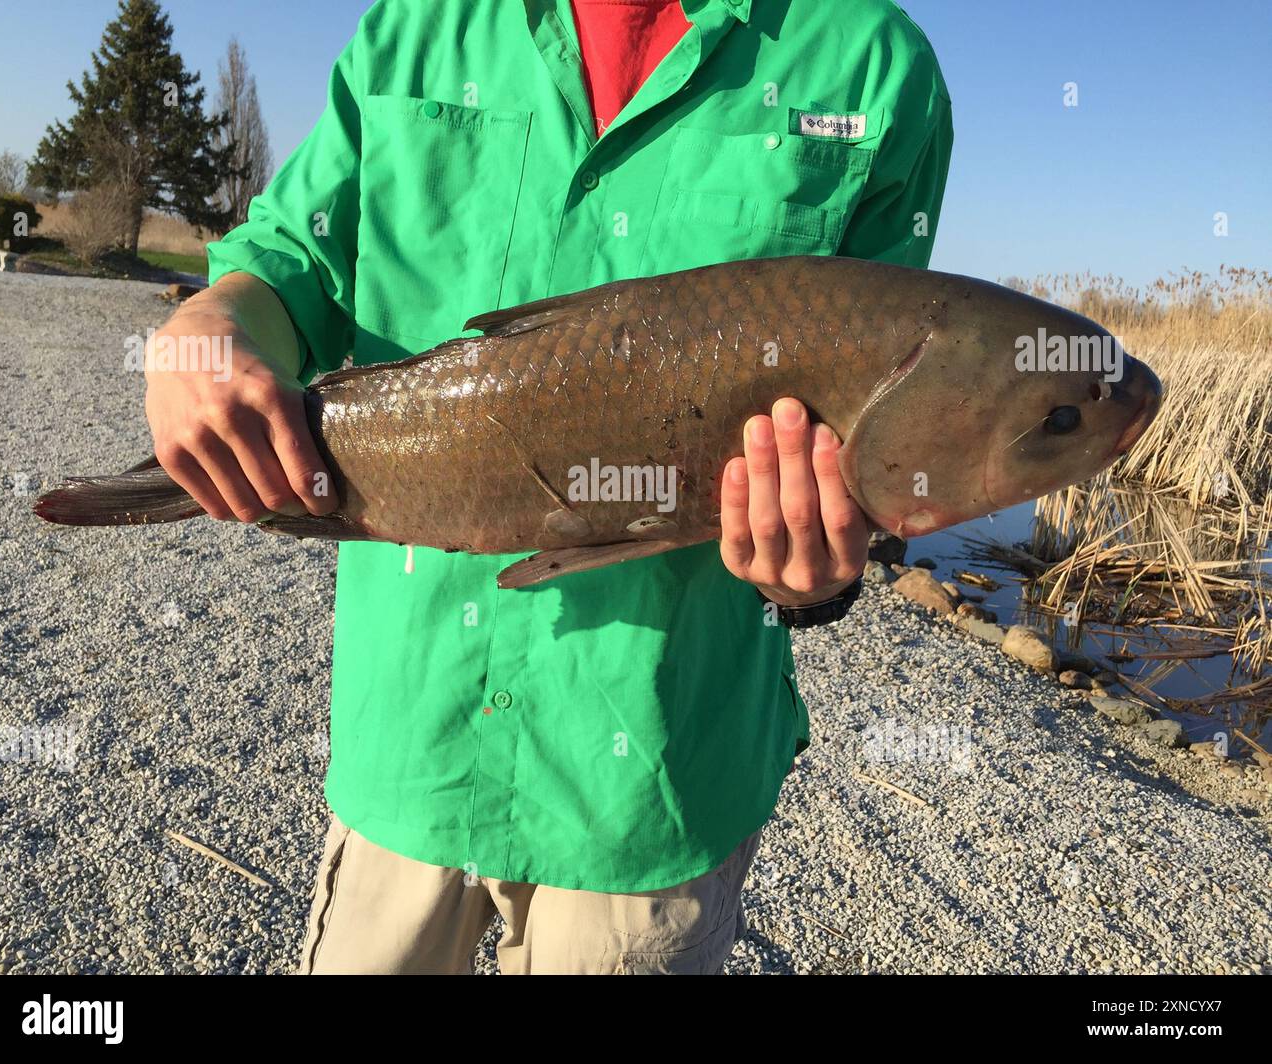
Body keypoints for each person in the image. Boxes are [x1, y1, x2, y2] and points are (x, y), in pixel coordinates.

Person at [144, 0, 952, 974]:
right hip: (413, 732)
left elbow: (871, 427)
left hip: (653, 779)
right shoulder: (417, 27)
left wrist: (814, 575)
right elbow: (293, 263)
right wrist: (214, 322)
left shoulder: (873, 68)